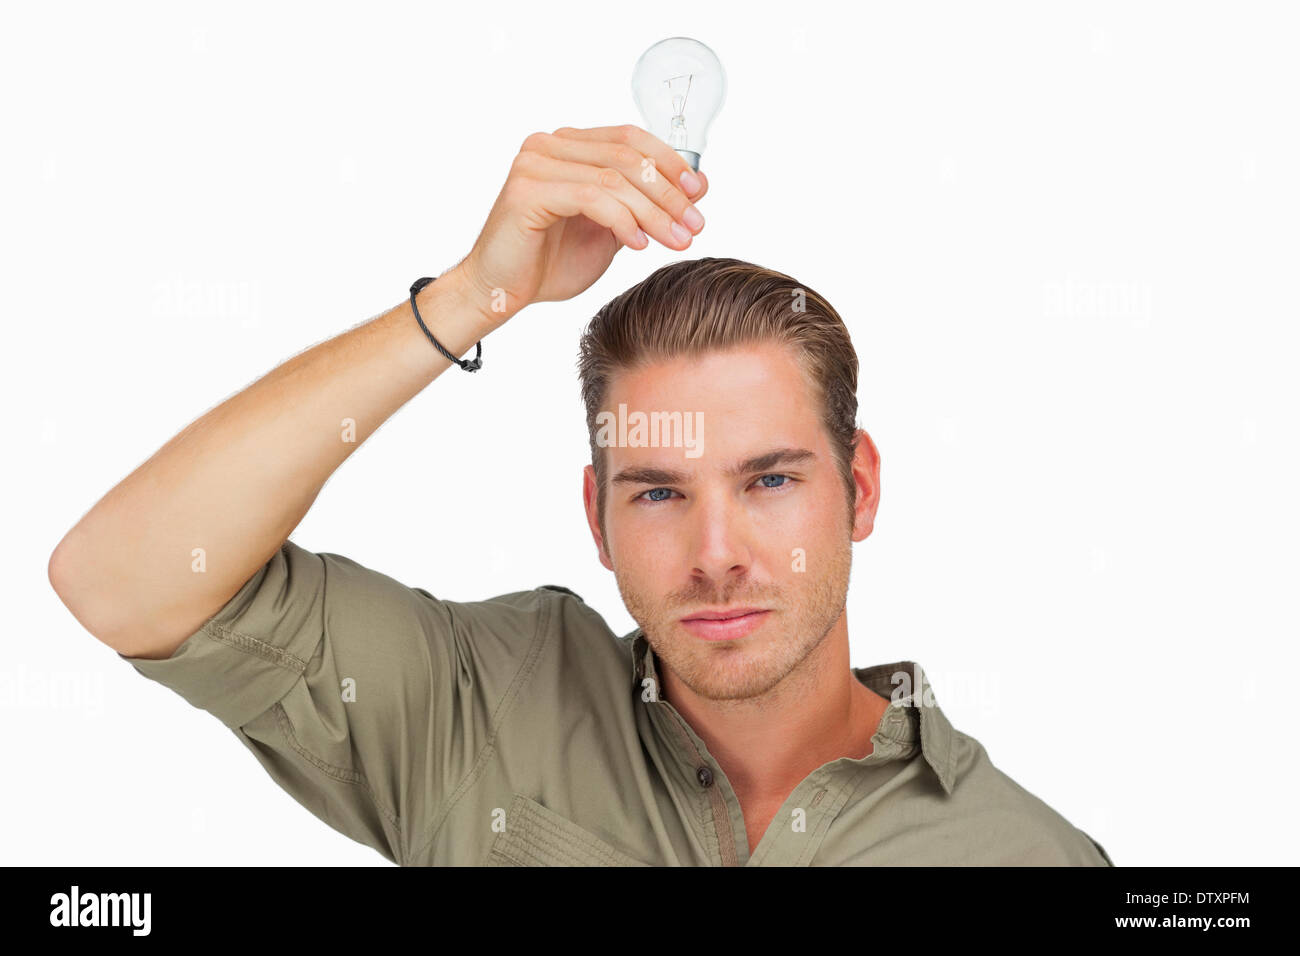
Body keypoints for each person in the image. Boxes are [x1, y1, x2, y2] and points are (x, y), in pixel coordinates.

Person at [48, 124, 1113, 866]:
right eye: (657, 493)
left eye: (770, 479)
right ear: (595, 517)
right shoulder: (482, 710)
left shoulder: (1027, 855)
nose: (716, 550)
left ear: (860, 487)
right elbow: (123, 580)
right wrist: (472, 297)